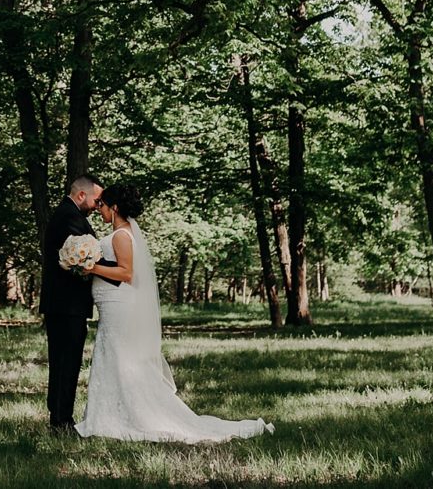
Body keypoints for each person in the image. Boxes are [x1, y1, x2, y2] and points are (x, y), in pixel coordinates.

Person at [78, 183, 274, 443]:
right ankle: (107, 415)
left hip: (119, 308)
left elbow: (126, 273)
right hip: (112, 307)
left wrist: (92, 268)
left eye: (102, 205)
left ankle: (125, 417)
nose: (99, 209)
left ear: (114, 207)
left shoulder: (121, 236)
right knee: (114, 359)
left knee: (120, 358)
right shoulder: (122, 234)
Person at [40, 174, 102, 433]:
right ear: (81, 195)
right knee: (67, 362)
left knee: (63, 361)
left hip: (63, 304)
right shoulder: (70, 217)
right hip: (66, 305)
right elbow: (81, 259)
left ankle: (59, 415)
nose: (98, 206)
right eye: (96, 200)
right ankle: (62, 420)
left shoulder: (69, 214)